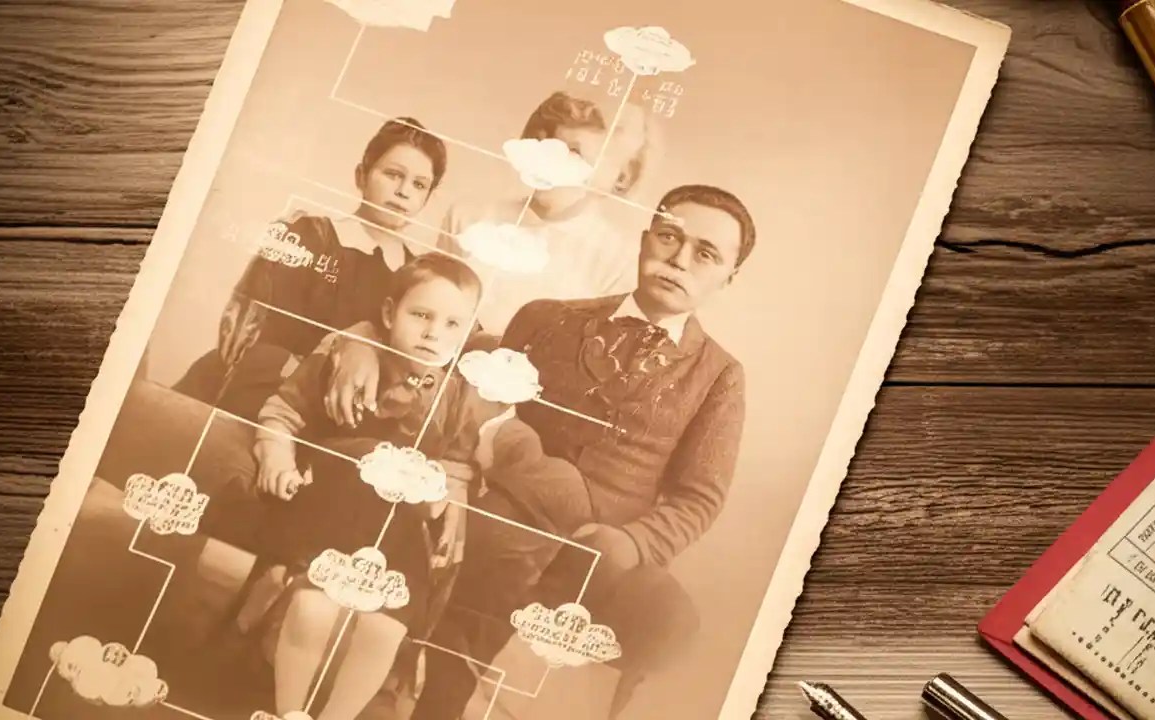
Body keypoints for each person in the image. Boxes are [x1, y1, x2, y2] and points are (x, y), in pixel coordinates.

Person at [330, 184, 756, 718]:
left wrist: (634, 542)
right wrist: (362, 336)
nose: (679, 259)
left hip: (600, 543)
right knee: (491, 543)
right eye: (669, 237)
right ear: (646, 239)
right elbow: (466, 392)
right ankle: (419, 694)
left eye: (706, 254)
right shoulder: (547, 317)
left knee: (670, 624)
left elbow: (700, 496)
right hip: (507, 504)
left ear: (729, 276)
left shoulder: (718, 375)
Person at [249, 253, 508, 720]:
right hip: (332, 513)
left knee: (383, 631)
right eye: (421, 315)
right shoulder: (343, 357)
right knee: (313, 611)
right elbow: (282, 412)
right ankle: (288, 712)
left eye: (453, 324)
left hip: (399, 534)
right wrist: (277, 456)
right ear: (390, 313)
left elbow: (457, 464)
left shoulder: (458, 392)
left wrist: (449, 503)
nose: (433, 333)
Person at [174, 116, 448, 422]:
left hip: (349, 418)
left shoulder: (421, 279)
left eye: (419, 184)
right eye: (393, 174)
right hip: (262, 394)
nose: (404, 191)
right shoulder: (309, 235)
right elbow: (256, 338)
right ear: (361, 176)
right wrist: (347, 345)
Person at [434, 90, 659, 337]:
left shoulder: (618, 263)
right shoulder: (468, 217)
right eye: (550, 147)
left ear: (620, 178)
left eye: (574, 153)